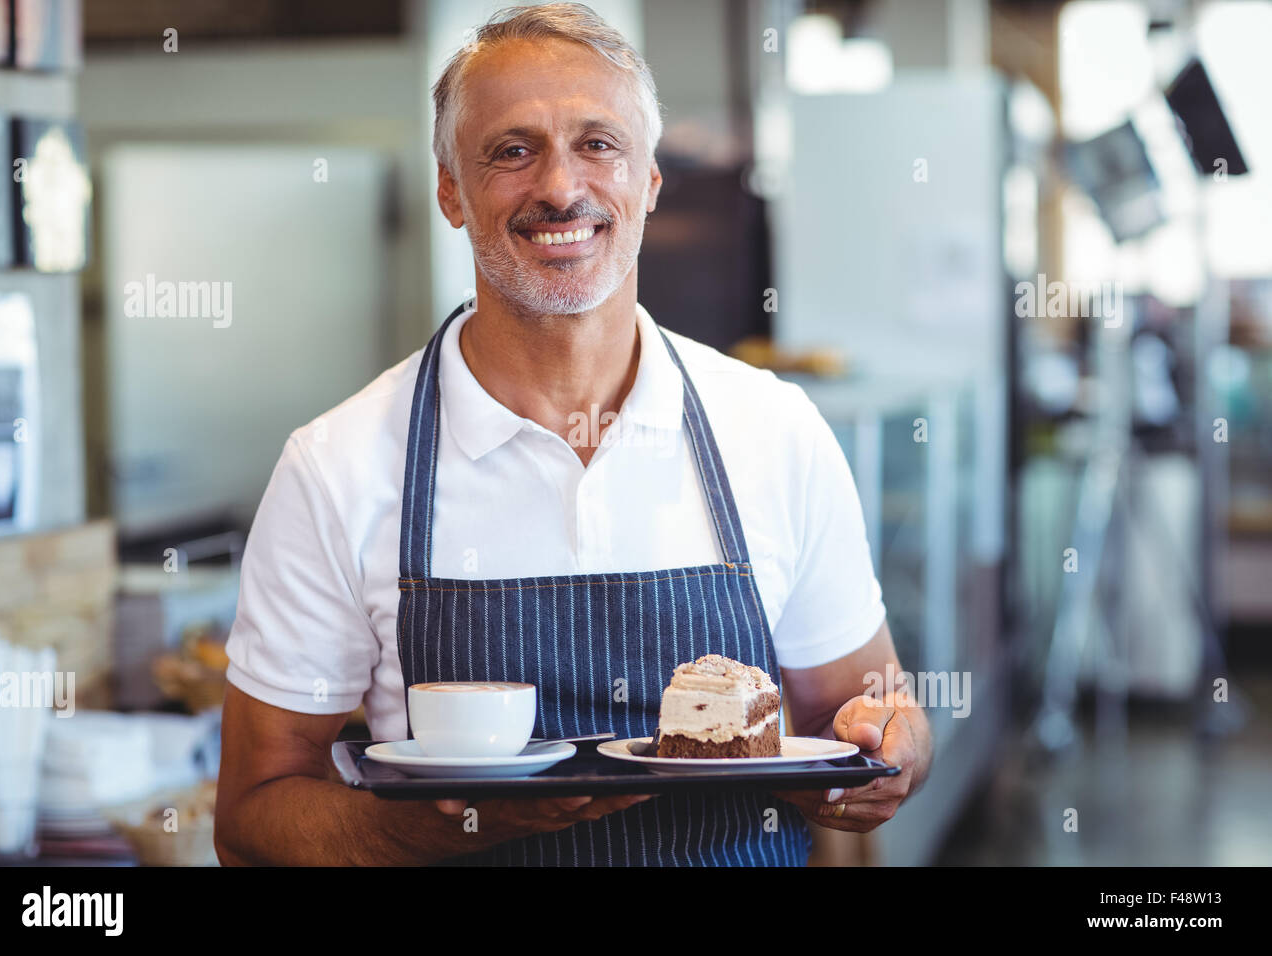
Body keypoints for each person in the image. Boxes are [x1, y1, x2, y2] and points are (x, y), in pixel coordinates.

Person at [214, 2, 931, 866]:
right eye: (512, 151)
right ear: (450, 190)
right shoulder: (336, 467)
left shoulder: (775, 431)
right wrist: (423, 829)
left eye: (598, 144)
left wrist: (891, 752)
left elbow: (860, 712)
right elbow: (252, 817)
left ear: (650, 181)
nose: (561, 187)